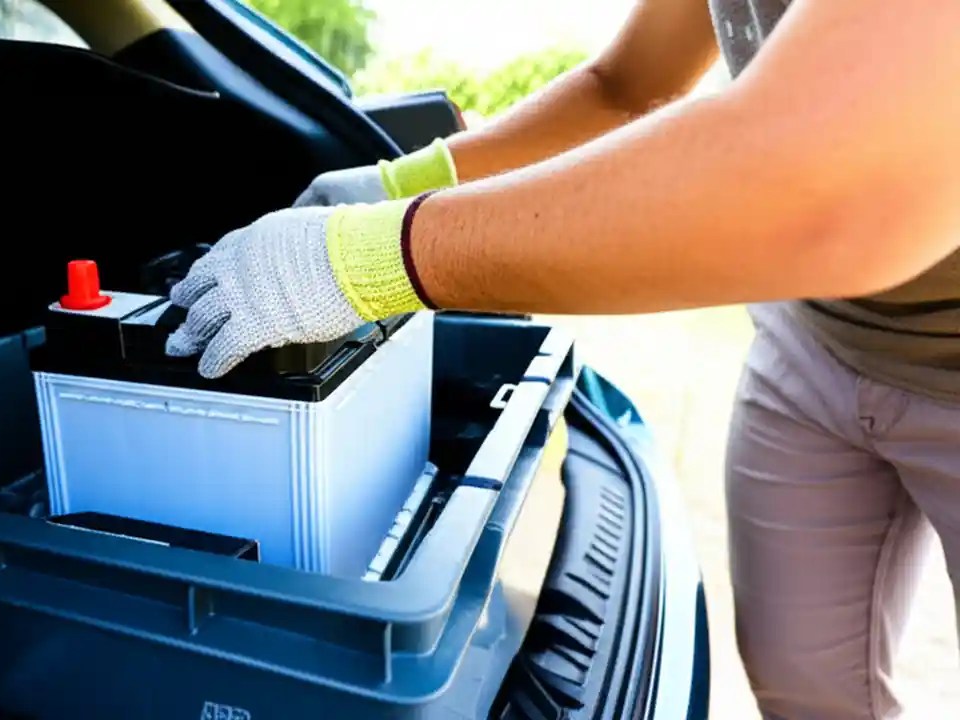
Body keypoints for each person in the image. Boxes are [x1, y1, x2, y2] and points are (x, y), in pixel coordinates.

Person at [165, 0, 960, 717]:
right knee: (803, 683)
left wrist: (370, 259)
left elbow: (833, 183)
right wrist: (393, 185)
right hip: (813, 342)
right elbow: (626, 86)